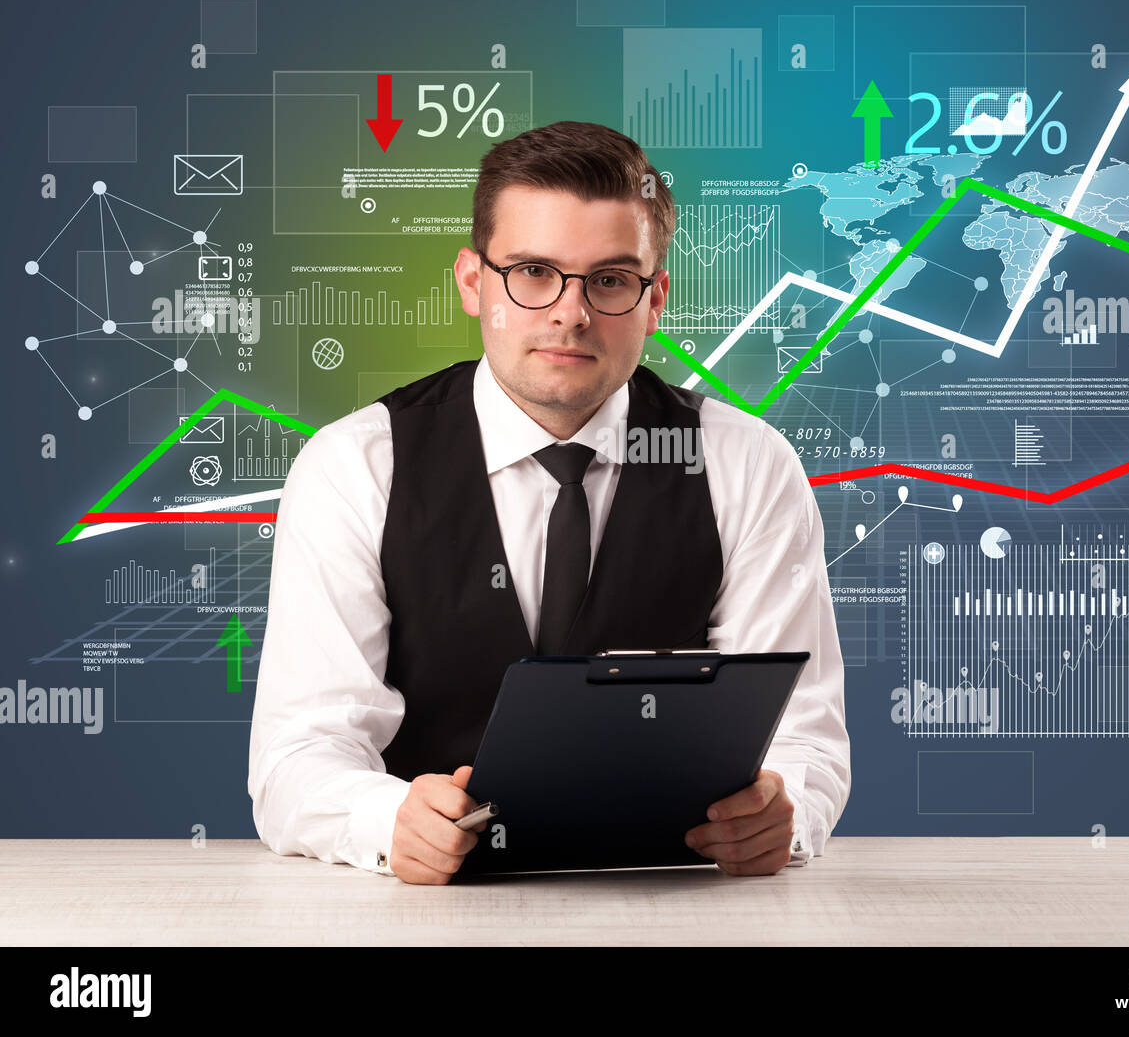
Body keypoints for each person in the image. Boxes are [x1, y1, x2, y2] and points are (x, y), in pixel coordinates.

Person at [248, 120, 850, 885]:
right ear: (473, 282)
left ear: (655, 296)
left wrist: (781, 811)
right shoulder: (356, 466)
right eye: (533, 271)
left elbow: (804, 740)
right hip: (425, 921)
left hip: (680, 910)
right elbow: (297, 755)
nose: (570, 313)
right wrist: (385, 820)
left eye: (609, 279)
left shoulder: (748, 466)